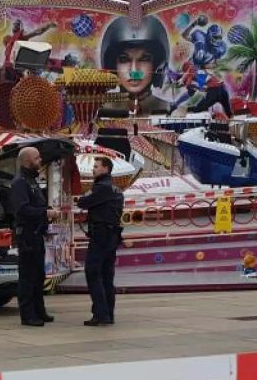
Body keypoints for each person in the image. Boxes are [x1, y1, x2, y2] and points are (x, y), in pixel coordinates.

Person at [10, 146, 60, 327]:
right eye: (37, 158)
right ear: (27, 161)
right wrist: (45, 213)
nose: (40, 161)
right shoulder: (20, 183)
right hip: (27, 236)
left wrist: (46, 212)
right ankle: (28, 314)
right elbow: (23, 210)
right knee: (28, 276)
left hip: (37, 234)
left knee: (39, 275)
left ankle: (39, 310)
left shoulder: (31, 180)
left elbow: (36, 205)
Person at [77, 156, 124, 326]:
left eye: (96, 166)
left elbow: (82, 202)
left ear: (106, 169)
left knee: (92, 271)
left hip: (100, 235)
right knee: (106, 275)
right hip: (112, 236)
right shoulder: (116, 189)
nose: (93, 169)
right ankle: (108, 314)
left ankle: (100, 313)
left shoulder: (101, 187)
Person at [100, 16, 170, 115]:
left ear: (158, 65)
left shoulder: (169, 109)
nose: (134, 71)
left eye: (144, 59)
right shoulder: (98, 111)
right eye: (124, 59)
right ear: (112, 66)